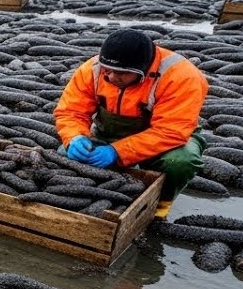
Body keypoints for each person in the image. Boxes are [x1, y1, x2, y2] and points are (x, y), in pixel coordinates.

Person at [53, 28, 209, 219]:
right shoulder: (93, 69)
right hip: (109, 132)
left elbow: (170, 131)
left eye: (120, 74)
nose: (111, 77)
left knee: (180, 162)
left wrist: (118, 152)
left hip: (166, 140)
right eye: (108, 71)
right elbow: (71, 111)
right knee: (64, 154)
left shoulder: (181, 76)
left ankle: (159, 203)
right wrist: (74, 136)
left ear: (142, 70)